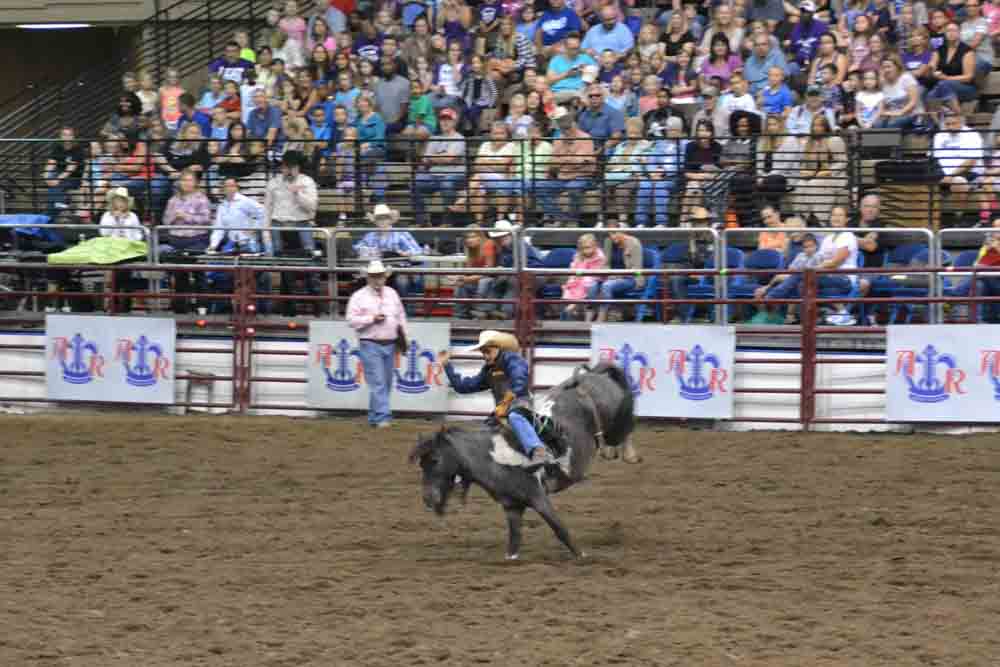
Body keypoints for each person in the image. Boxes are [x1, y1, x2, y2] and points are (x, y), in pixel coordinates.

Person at [437, 330, 553, 467]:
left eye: (488, 351)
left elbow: (519, 380)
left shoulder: (511, 359)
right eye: (483, 352)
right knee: (482, 434)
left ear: (498, 348)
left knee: (515, 416)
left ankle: (539, 451)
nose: (485, 356)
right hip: (501, 411)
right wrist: (447, 365)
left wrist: (506, 402)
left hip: (521, 405)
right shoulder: (488, 370)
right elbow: (463, 386)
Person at [347, 259, 408, 428]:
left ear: (385, 277)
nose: (377, 279)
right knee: (379, 382)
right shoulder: (358, 296)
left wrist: (402, 336)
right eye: (374, 276)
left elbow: (401, 316)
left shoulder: (392, 294)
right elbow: (351, 320)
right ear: (368, 277)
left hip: (390, 342)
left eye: (379, 276)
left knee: (384, 383)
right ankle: (383, 417)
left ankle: (375, 416)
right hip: (370, 343)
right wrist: (371, 319)